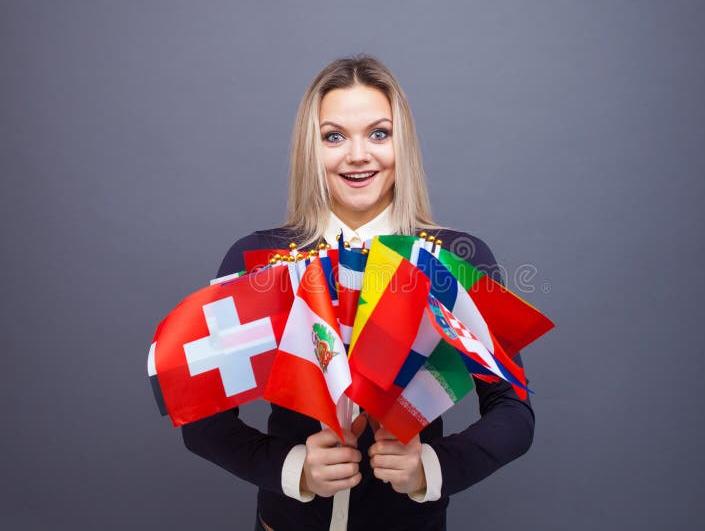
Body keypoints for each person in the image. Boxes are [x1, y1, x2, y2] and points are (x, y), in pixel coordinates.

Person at [181, 54, 534, 531]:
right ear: (312, 149)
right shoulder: (258, 261)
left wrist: (433, 467)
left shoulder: (456, 260)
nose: (358, 155)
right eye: (334, 136)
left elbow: (513, 410)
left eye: (378, 133)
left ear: (401, 144)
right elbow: (201, 418)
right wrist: (293, 468)